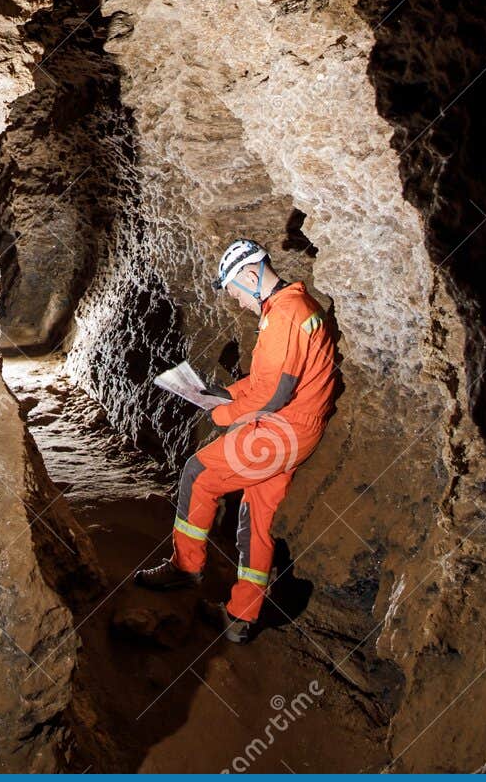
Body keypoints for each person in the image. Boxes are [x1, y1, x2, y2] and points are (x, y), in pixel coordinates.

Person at [135, 238, 336, 643]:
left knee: (199, 473)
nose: (238, 302)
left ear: (250, 274)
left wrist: (224, 413)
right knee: (255, 517)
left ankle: (186, 568)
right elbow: (267, 383)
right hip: (296, 426)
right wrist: (226, 393)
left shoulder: (285, 316)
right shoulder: (294, 308)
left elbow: (274, 396)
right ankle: (241, 617)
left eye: (235, 292)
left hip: (283, 430)